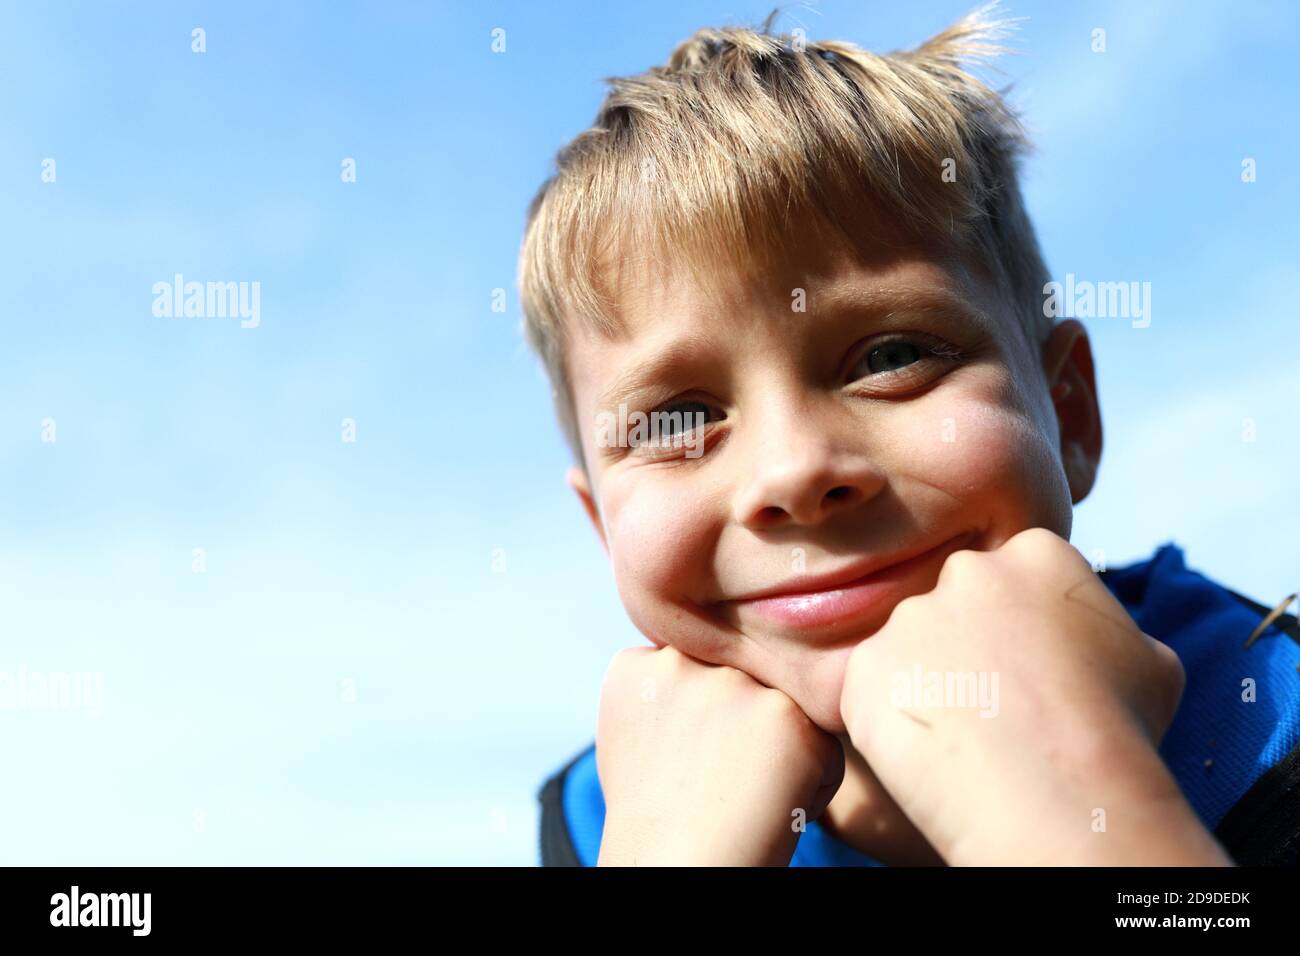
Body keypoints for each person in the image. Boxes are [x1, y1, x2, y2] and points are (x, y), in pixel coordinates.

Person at [516, 6, 1300, 866]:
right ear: (603, 527)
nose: (794, 470)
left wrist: (1075, 801)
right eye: (683, 420)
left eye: (891, 356)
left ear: (1068, 412)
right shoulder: (600, 824)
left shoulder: (1271, 719)